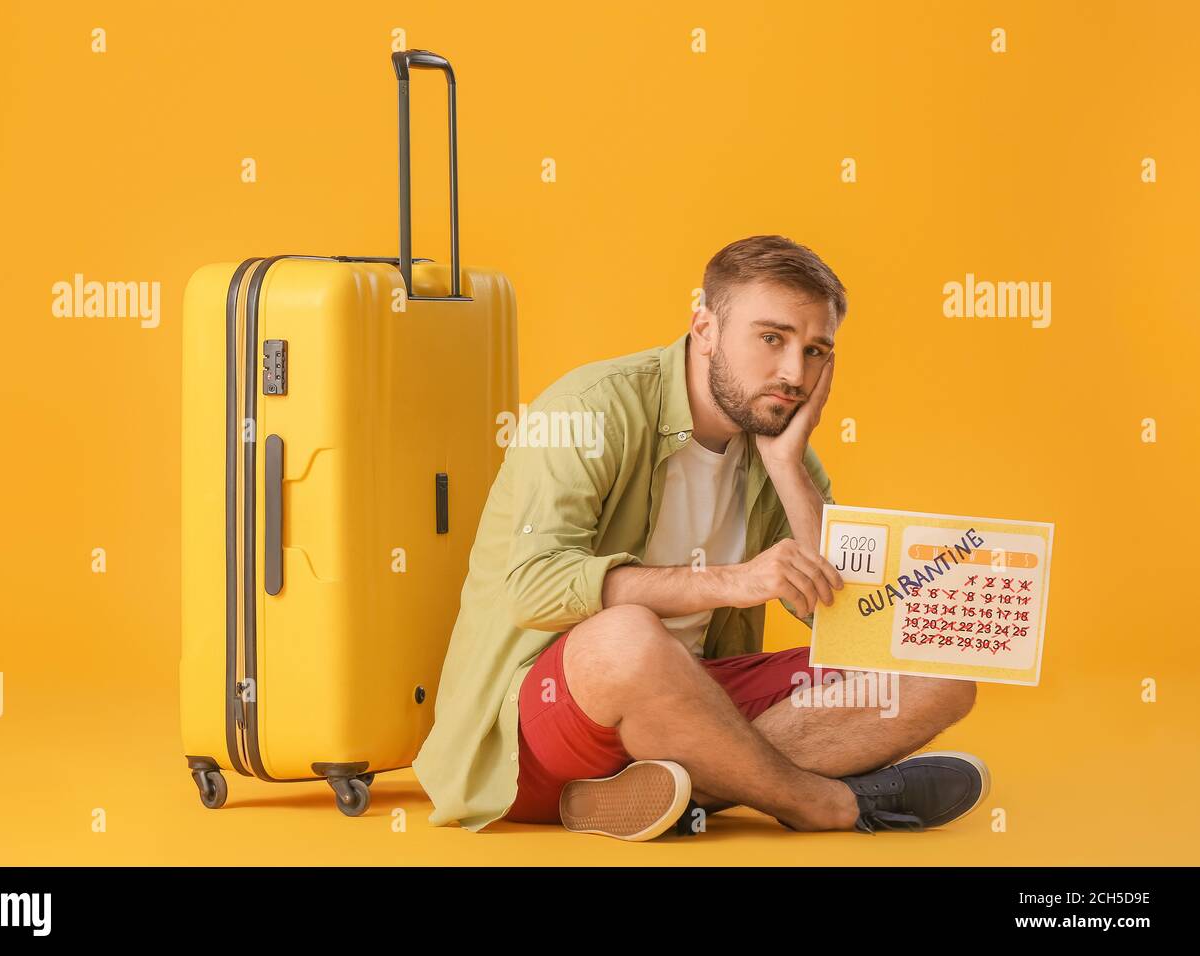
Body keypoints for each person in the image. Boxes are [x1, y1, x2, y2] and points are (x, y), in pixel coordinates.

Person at [412, 235, 987, 840]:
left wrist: (789, 468)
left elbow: (855, 628)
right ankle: (823, 803)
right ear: (705, 329)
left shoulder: (782, 451)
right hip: (544, 725)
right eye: (772, 338)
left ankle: (667, 794)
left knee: (936, 671)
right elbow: (533, 587)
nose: (795, 373)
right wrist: (735, 582)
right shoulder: (590, 409)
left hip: (693, 709)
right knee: (627, 635)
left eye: (816, 350)